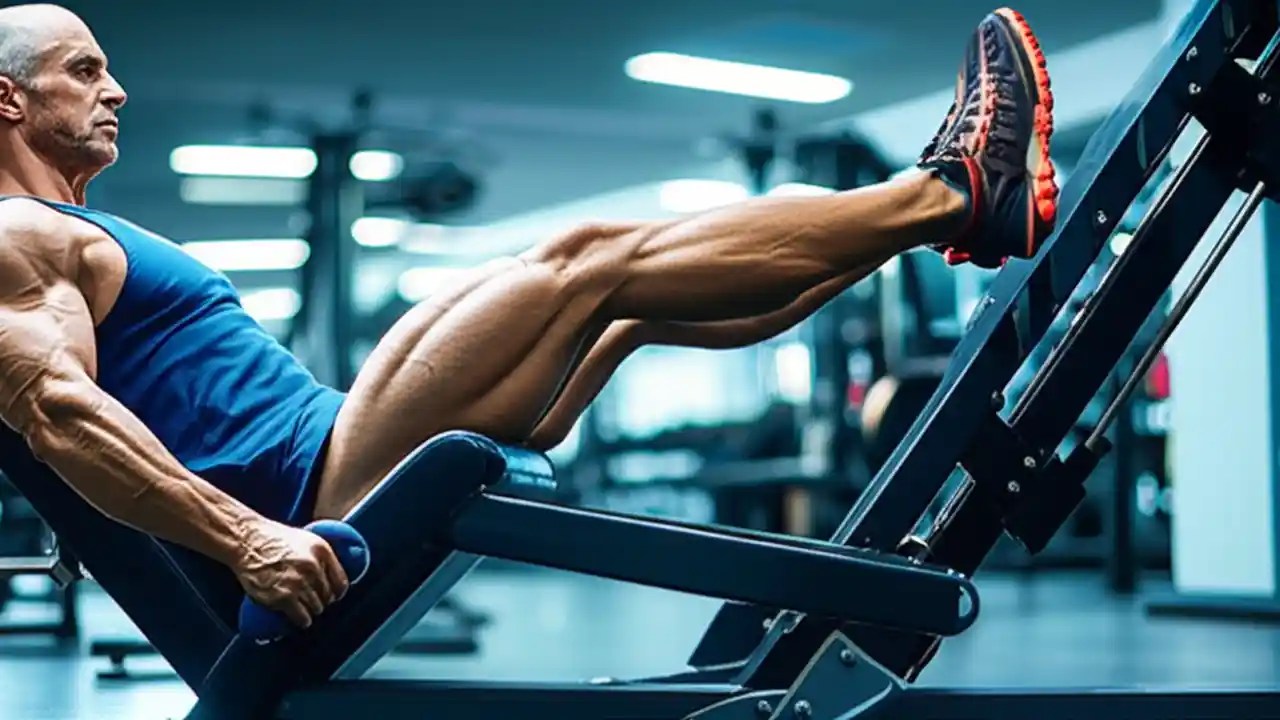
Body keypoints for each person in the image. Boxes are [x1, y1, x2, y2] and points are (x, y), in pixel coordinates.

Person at [0, 3, 1057, 629]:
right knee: (584, 263)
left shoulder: (58, 229)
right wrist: (248, 545)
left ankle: (932, 215)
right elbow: (58, 414)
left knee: (623, 308)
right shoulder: (12, 235)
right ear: (8, 100)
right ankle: (955, 192)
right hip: (323, 481)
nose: (117, 89)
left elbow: (86, 406)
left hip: (334, 442)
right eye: (84, 70)